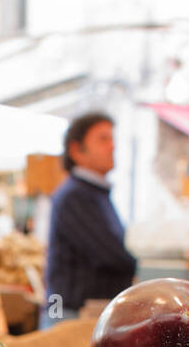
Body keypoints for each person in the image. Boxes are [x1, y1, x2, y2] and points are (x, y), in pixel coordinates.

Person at [45, 112, 136, 319]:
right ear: (76, 150)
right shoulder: (75, 195)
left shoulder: (96, 193)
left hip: (89, 314)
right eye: (103, 139)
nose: (112, 146)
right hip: (71, 318)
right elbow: (112, 254)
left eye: (112, 139)